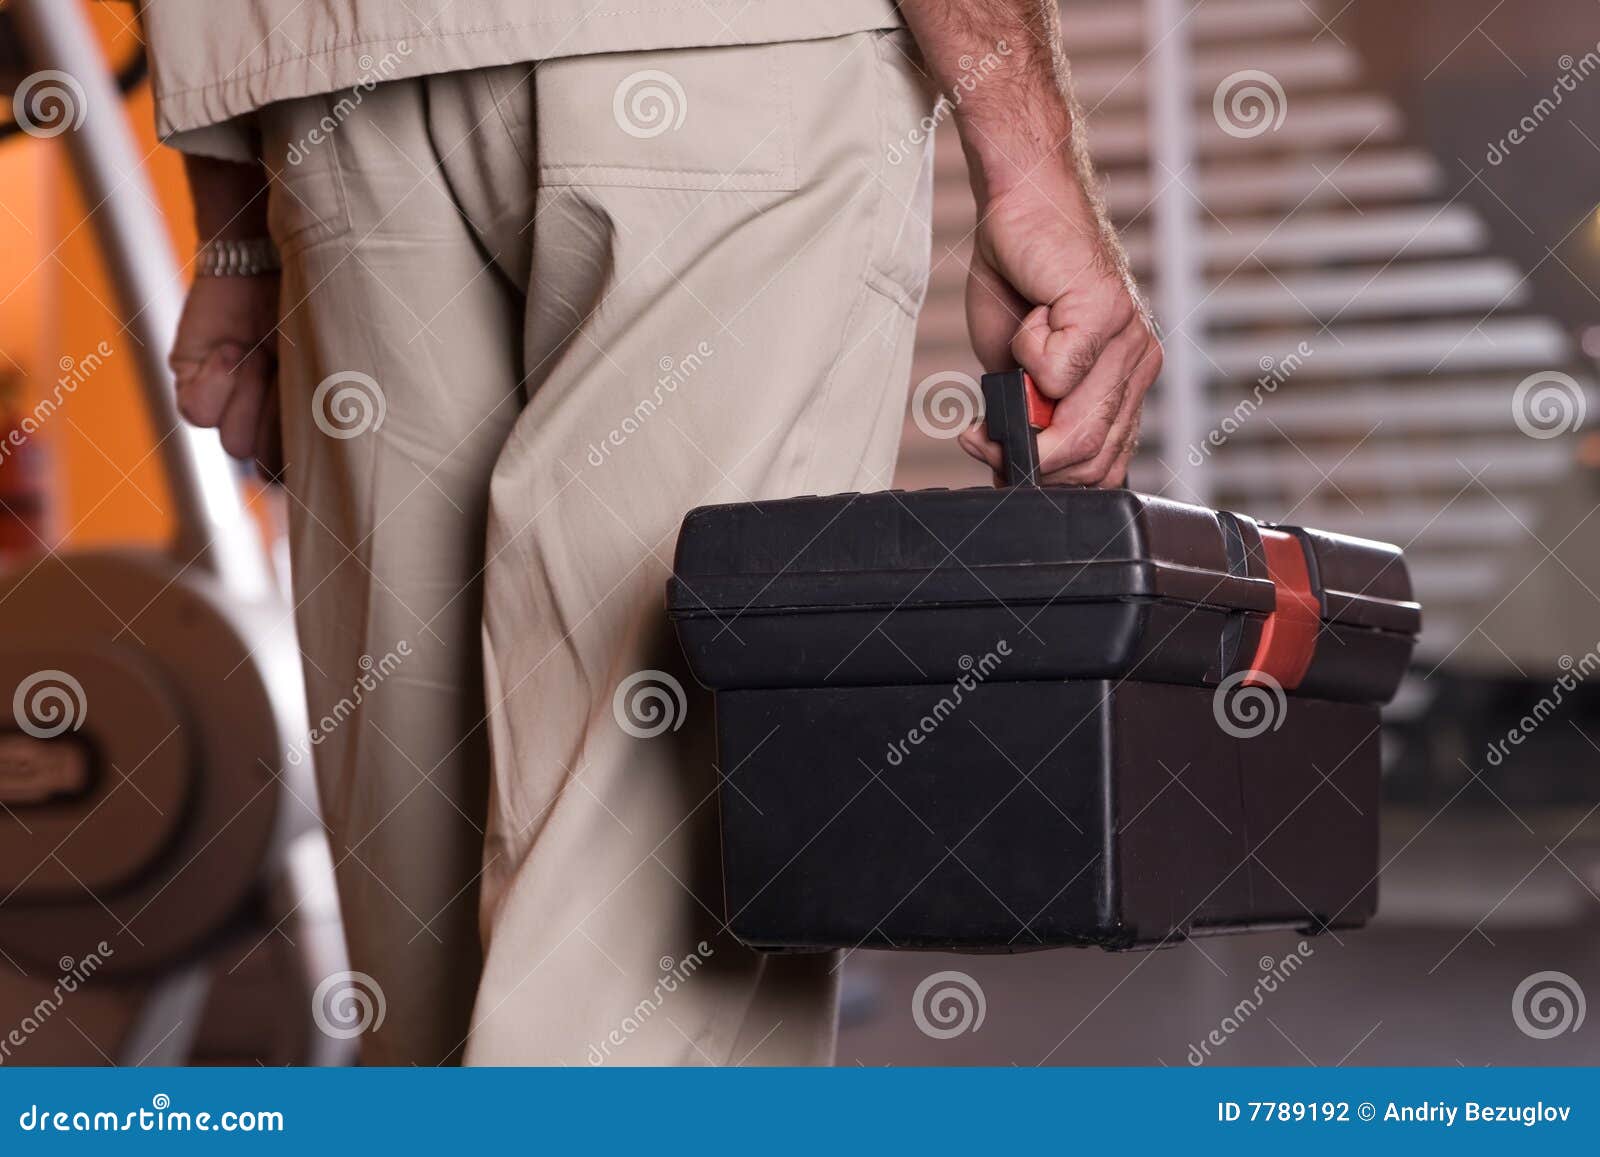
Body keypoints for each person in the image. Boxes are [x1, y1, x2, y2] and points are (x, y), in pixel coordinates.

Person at [144, 0, 1161, 1065]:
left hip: (337, 80)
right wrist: (1030, 160)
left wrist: (233, 215)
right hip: (724, 56)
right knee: (651, 954)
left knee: (424, 930)